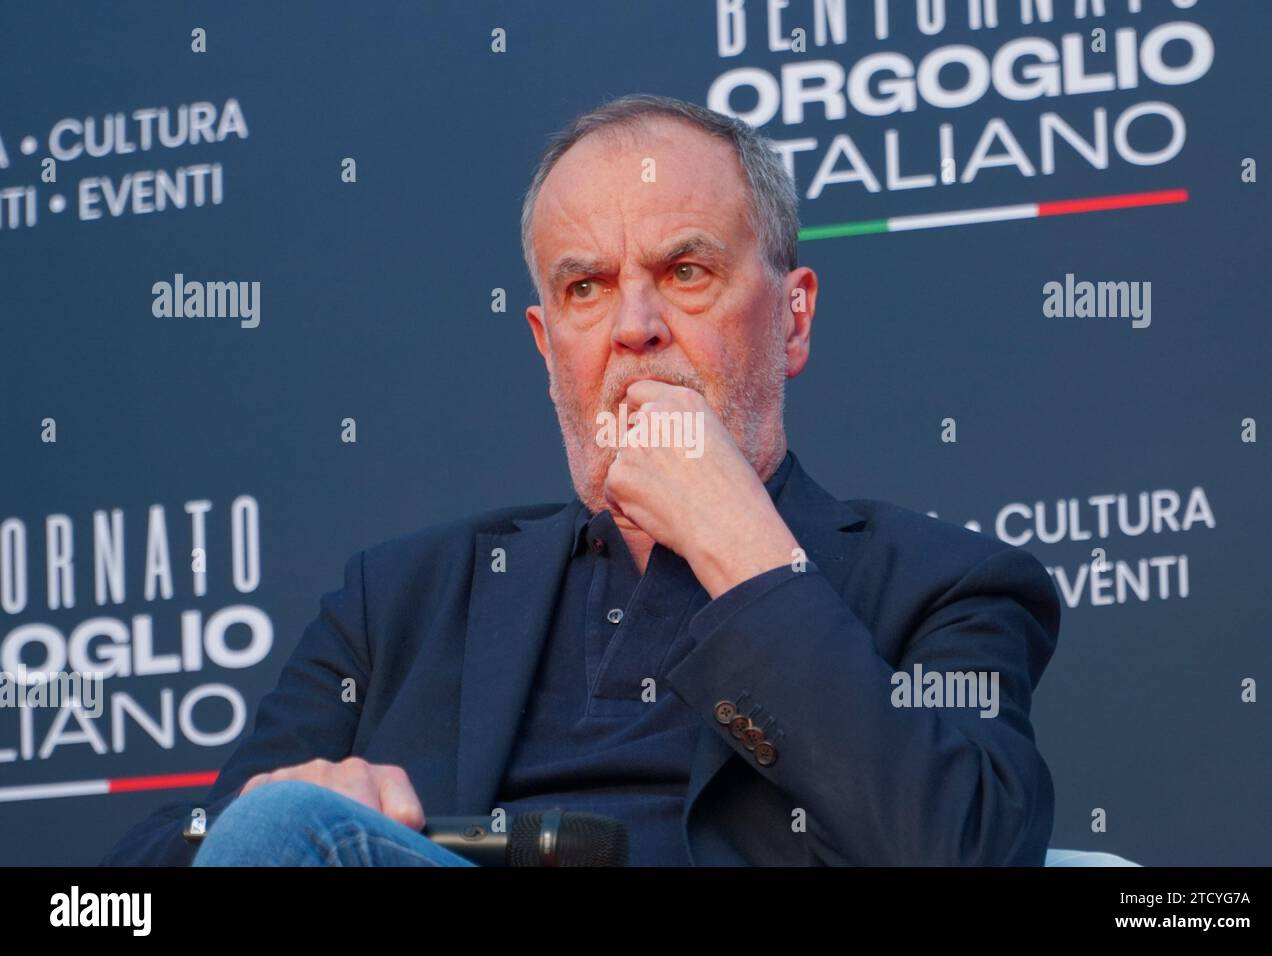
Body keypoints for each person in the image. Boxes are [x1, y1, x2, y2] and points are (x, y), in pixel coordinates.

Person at [102, 94, 1063, 867]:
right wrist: (273, 808)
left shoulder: (945, 585)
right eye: (585, 288)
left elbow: (963, 845)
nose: (633, 326)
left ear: (794, 319)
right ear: (547, 346)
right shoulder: (397, 601)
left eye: (686, 271)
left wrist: (745, 547)